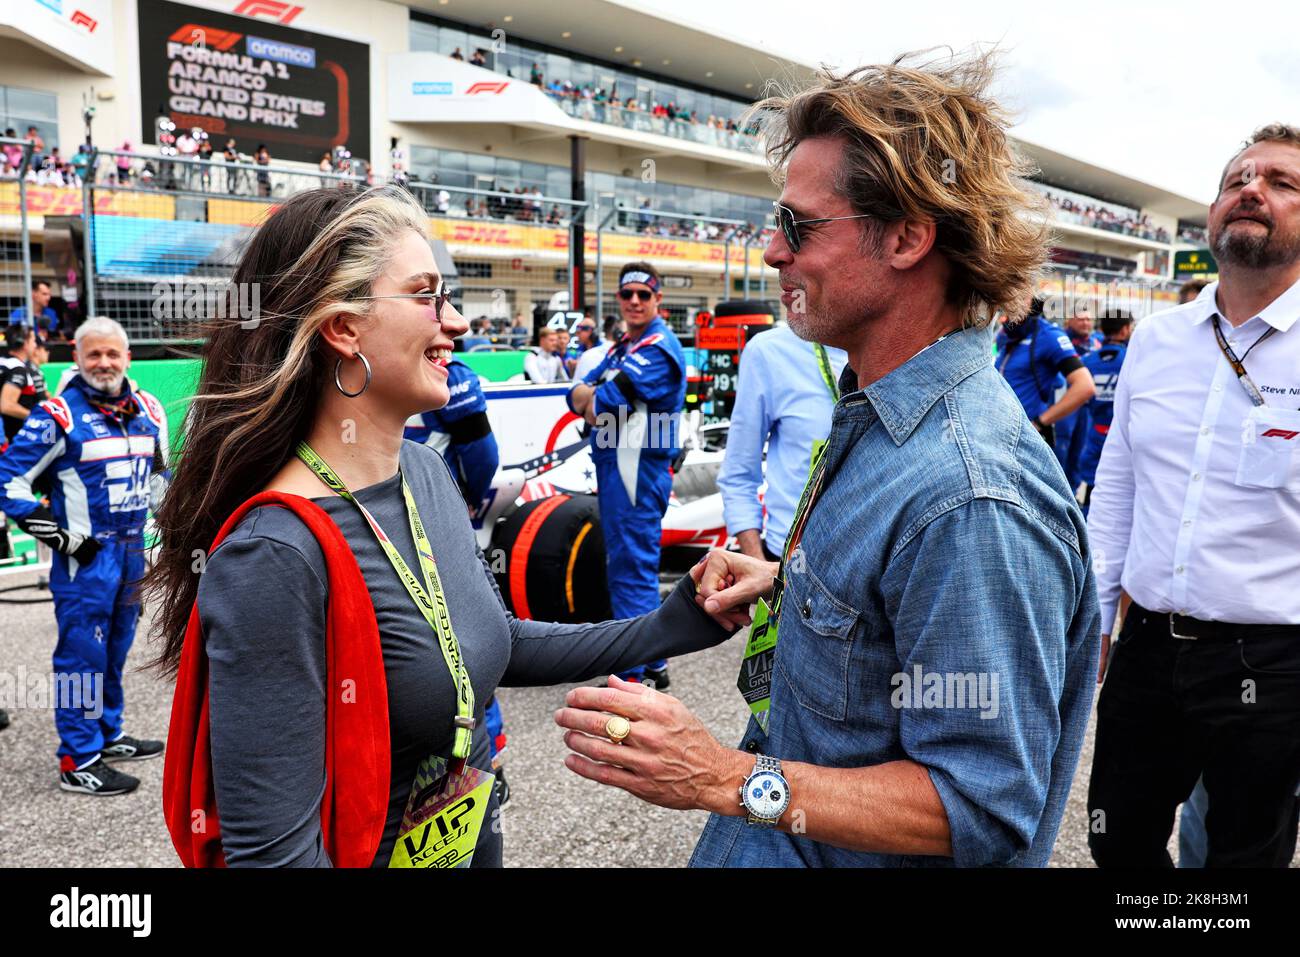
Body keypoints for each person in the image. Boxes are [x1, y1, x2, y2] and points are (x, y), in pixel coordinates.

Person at [554, 51, 1100, 867]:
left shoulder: (971, 494)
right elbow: (906, 610)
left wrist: (720, 776)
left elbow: (979, 807)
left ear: (910, 238)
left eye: (800, 225)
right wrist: (800, 588)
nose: (772, 250)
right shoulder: (880, 415)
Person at [140, 185, 738, 867]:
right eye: (427, 295)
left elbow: (492, 641)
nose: (455, 321)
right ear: (344, 328)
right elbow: (272, 857)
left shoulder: (424, 471)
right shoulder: (273, 555)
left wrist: (679, 619)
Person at [1086, 123, 1300, 869]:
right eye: (1237, 179)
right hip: (1147, 645)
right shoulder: (1156, 338)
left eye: (1281, 182)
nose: (1251, 189)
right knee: (1117, 842)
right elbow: (1119, 481)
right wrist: (1098, 612)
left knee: (1247, 856)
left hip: (1272, 659)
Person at [0, 317, 169, 796]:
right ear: (76, 359)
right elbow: (8, 479)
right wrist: (60, 537)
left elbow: (160, 477)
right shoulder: (57, 415)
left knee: (115, 650)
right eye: (93, 354)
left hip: (133, 551)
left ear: (128, 358)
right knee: (81, 657)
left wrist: (176, 527)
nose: (104, 363)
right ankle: (79, 759)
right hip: (85, 560)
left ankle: (107, 735)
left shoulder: (149, 410)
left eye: (112, 354)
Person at [566, 261, 686, 689]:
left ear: (658, 300)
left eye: (644, 295)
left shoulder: (657, 349)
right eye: (627, 294)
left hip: (637, 475)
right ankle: (652, 662)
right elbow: (575, 392)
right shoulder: (625, 347)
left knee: (631, 573)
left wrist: (591, 396)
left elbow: (599, 404)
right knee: (629, 569)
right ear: (619, 299)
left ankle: (632, 679)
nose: (635, 301)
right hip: (621, 474)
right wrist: (589, 395)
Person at [403, 358, 511, 807]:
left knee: (462, 643)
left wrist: (457, 502)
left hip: (435, 526)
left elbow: (482, 454)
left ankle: (492, 763)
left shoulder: (453, 371)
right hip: (387, 524)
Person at [717, 323, 847, 562]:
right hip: (786, 564)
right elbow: (738, 474)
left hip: (870, 574)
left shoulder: (904, 346)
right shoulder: (770, 352)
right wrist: (758, 567)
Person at [995, 297, 1095, 456]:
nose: (1010, 302)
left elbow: (1085, 386)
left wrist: (1040, 423)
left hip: (1024, 440)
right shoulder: (1006, 333)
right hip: (997, 434)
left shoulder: (1049, 335)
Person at [1077, 310, 1132, 513]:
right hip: (1124, 436)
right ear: (1126, 329)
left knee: (1092, 488)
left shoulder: (1087, 362)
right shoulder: (1133, 359)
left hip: (1094, 433)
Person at [1, 326, 47, 443]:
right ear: (24, 343)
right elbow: (7, 406)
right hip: (12, 440)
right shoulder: (18, 368)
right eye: (32, 341)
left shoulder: (4, 362)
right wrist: (38, 418)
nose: (35, 345)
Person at [572, 315, 618, 382]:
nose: (577, 335)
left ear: (590, 331)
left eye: (579, 332)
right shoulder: (580, 348)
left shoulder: (603, 347)